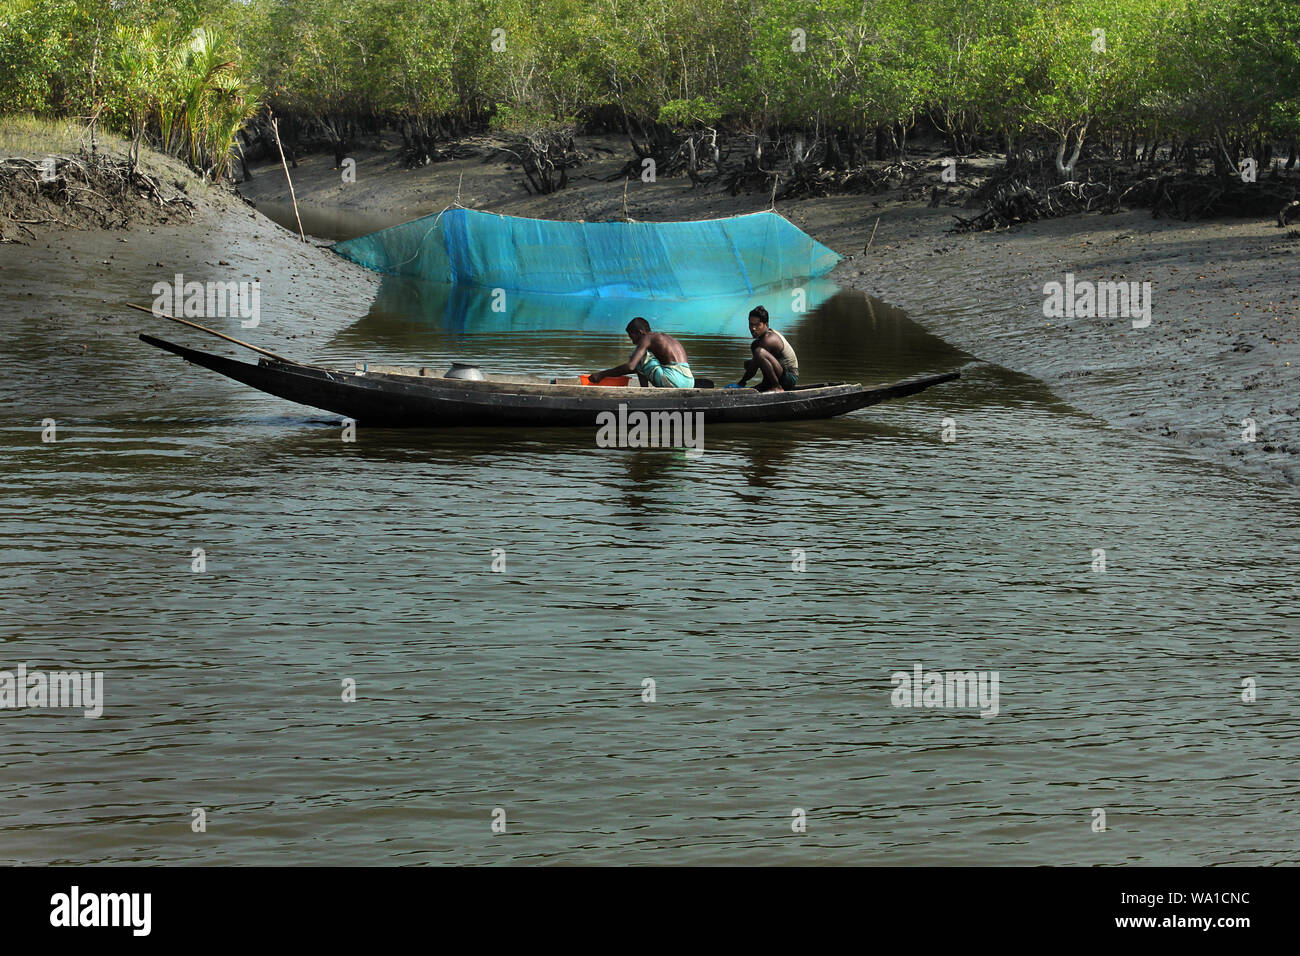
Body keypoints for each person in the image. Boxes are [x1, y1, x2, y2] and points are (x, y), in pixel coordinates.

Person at [590, 317, 695, 388]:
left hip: (674, 380)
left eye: (632, 337)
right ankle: (644, 390)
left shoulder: (647, 338)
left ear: (640, 333)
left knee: (639, 358)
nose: (633, 342)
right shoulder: (663, 338)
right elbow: (637, 369)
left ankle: (644, 390)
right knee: (641, 361)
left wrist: (602, 374)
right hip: (689, 381)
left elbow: (631, 367)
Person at [737, 306, 798, 391]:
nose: (753, 329)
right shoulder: (756, 343)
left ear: (766, 325)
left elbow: (752, 370)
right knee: (753, 357)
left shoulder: (769, 340)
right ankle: (770, 385)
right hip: (774, 377)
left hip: (789, 378)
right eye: (751, 324)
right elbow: (757, 366)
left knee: (759, 353)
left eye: (757, 325)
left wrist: (741, 382)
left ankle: (777, 387)